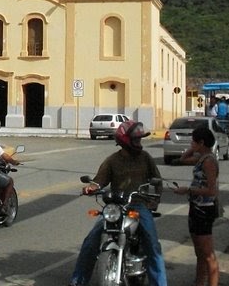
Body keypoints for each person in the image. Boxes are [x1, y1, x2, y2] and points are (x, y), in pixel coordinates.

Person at [69, 120, 166, 286]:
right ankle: (78, 281)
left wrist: (154, 201)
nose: (139, 142)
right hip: (116, 206)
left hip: (138, 205)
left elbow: (157, 181)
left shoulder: (145, 158)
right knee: (90, 241)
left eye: (139, 139)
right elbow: (99, 181)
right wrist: (91, 188)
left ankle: (160, 283)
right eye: (136, 139)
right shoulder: (112, 160)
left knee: (153, 244)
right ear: (125, 140)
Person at [172, 125, 220, 286]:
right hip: (196, 206)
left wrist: (188, 190)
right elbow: (183, 159)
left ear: (201, 142)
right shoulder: (202, 158)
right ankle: (199, 282)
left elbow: (211, 190)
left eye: (193, 141)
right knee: (199, 252)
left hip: (204, 209)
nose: (191, 144)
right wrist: (193, 148)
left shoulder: (209, 161)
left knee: (208, 255)